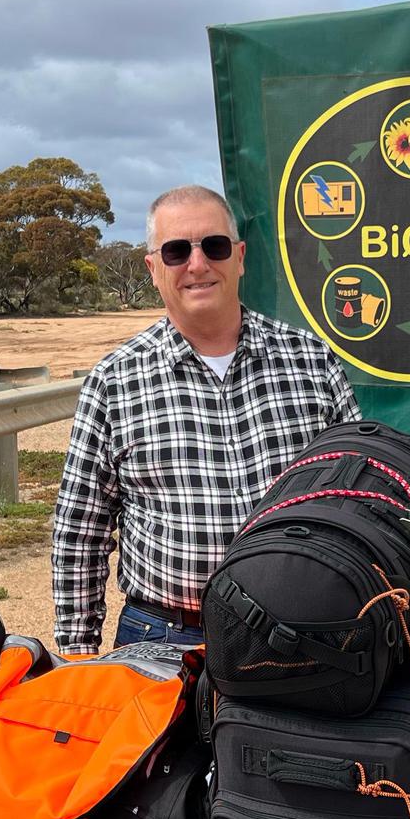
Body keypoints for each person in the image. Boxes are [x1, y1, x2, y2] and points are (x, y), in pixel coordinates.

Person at [51, 185, 360, 656]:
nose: (197, 265)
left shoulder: (312, 361)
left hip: (302, 636)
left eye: (213, 246)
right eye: (176, 251)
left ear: (239, 257)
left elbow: (360, 497)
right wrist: (76, 659)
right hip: (162, 640)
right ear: (154, 269)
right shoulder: (114, 381)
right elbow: (80, 532)